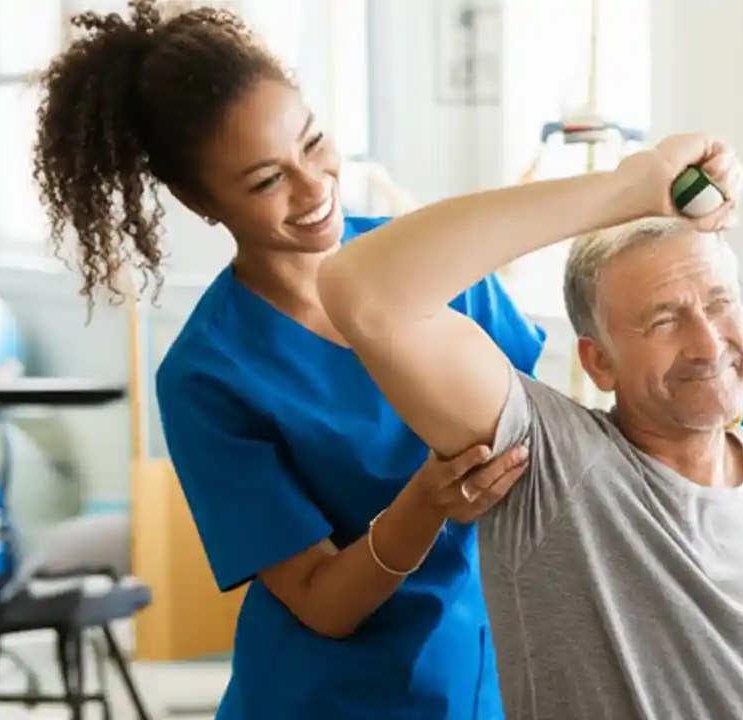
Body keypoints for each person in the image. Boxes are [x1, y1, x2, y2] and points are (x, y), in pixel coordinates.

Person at [30, 2, 545, 718]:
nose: (313, 187)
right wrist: (425, 501)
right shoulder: (209, 376)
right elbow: (321, 603)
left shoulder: (440, 266)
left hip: (488, 683)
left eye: (314, 143)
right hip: (326, 699)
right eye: (267, 180)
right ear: (199, 200)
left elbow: (545, 462)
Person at [317, 133, 743, 719]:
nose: (707, 344)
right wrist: (626, 189)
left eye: (718, 303)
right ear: (598, 361)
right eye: (664, 320)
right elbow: (361, 289)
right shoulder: (555, 467)